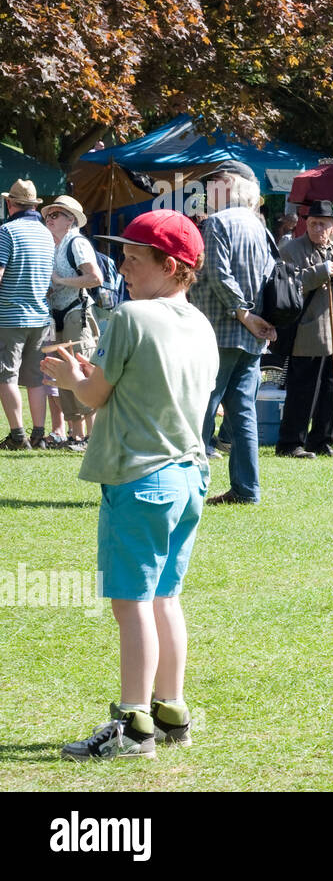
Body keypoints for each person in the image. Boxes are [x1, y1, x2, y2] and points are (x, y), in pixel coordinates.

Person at [42, 209, 218, 760]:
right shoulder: (202, 324)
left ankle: (133, 725)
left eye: (135, 258)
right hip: (189, 478)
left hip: (140, 478)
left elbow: (95, 396)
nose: (123, 265)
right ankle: (171, 710)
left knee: (131, 603)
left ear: (170, 266)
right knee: (166, 597)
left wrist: (74, 379)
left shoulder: (132, 318)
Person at [188, 160, 277, 505]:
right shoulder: (261, 228)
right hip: (252, 335)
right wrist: (256, 319)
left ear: (230, 186)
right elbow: (272, 278)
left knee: (202, 409)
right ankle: (246, 489)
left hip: (219, 331)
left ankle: (191, 486)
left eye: (214, 184)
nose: (208, 191)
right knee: (242, 415)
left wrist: (242, 314)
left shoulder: (217, 224)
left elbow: (217, 274)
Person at [275, 201, 333, 459]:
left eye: (323, 224)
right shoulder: (290, 248)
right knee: (302, 390)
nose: (317, 228)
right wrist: (321, 271)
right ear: (306, 223)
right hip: (308, 330)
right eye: (313, 223)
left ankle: (321, 440)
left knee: (330, 389)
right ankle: (290, 443)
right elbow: (289, 284)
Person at [0, 179, 56, 450]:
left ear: (10, 204)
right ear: (34, 205)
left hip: (10, 317)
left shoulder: (7, 232)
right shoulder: (47, 234)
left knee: (6, 375)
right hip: (40, 316)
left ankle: (18, 436)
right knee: (36, 379)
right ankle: (39, 435)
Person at [43, 195, 102, 447]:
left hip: (77, 314)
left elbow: (95, 278)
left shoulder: (76, 243)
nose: (49, 219)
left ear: (71, 220)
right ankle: (75, 435)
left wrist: (60, 281)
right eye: (48, 215)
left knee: (81, 368)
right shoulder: (53, 244)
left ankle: (92, 436)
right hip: (59, 316)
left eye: (56, 215)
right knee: (63, 375)